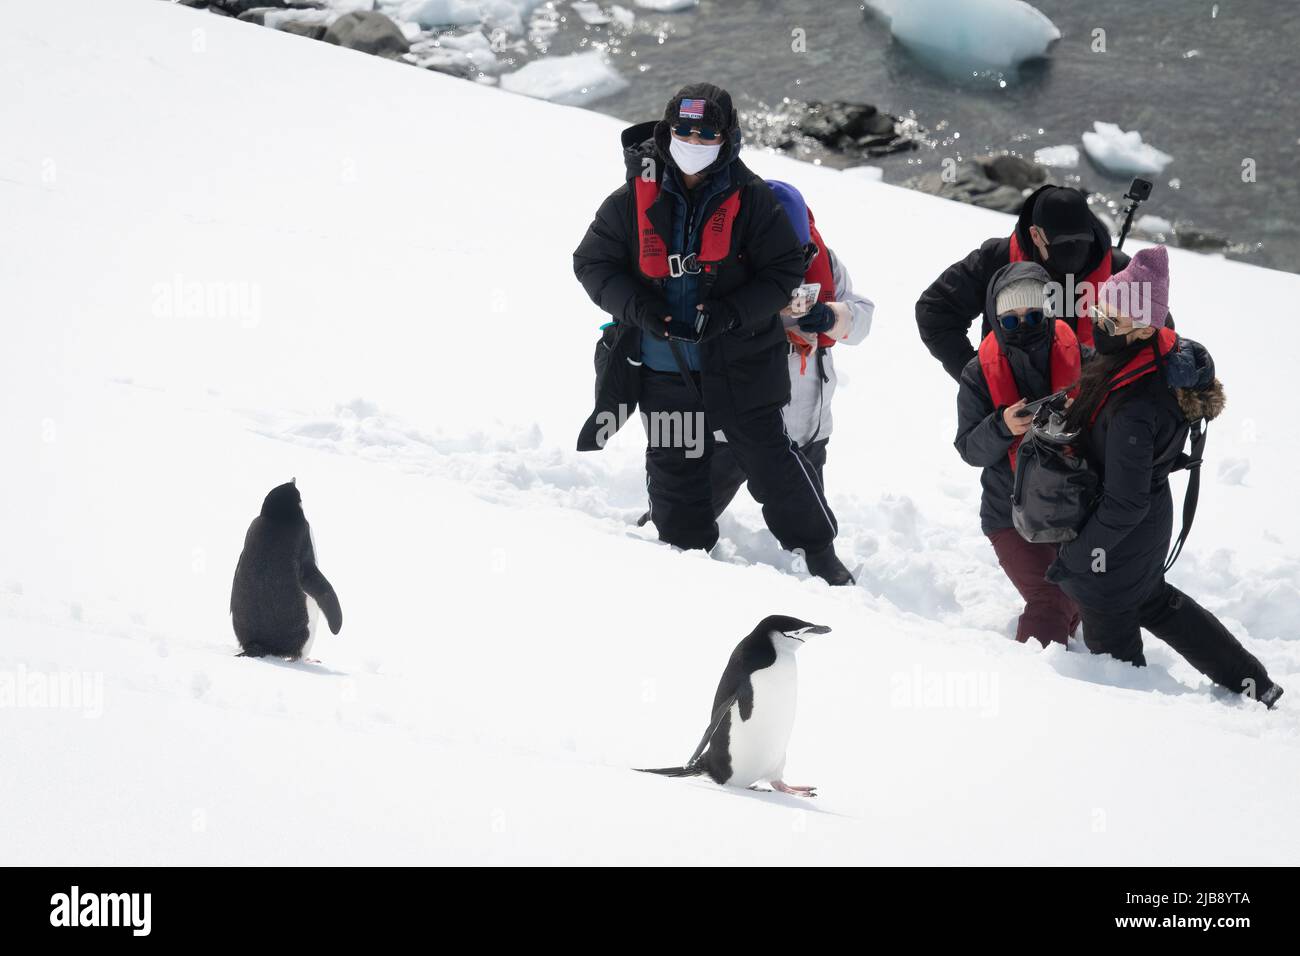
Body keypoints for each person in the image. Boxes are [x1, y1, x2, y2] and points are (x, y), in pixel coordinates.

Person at [573, 83, 853, 585]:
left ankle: (819, 553)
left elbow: (785, 270)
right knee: (674, 476)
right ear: (666, 132)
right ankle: (690, 570)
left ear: (728, 137)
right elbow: (592, 263)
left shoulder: (754, 200)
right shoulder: (630, 199)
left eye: (707, 133)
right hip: (664, 372)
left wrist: (729, 312)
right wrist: (641, 310)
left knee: (773, 468)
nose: (693, 141)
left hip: (743, 367)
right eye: (684, 131)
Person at [1046, 247, 1283, 706]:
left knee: (1113, 669)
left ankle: (1148, 727)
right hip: (1143, 529)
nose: (1099, 325)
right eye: (1097, 310)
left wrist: (1080, 556)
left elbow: (1124, 502)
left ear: (1147, 327)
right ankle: (1254, 682)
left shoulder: (1135, 404)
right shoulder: (1144, 360)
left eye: (1111, 321)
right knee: (1153, 599)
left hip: (1117, 545)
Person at [955, 261, 1082, 647]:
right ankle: (1034, 679)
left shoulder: (1086, 360)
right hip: (1008, 513)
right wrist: (1001, 426)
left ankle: (1073, 657)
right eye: (1010, 320)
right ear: (996, 319)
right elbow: (968, 449)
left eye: (1033, 315)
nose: (1023, 326)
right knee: (1052, 597)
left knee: (1086, 592)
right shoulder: (978, 373)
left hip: (1073, 507)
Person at [917, 185, 1160, 383]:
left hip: (1088, 406)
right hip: (1010, 407)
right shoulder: (996, 259)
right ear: (1035, 235)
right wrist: (976, 378)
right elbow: (935, 310)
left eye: (1081, 240)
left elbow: (1154, 333)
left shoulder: (1119, 270)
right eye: (1062, 242)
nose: (1074, 250)